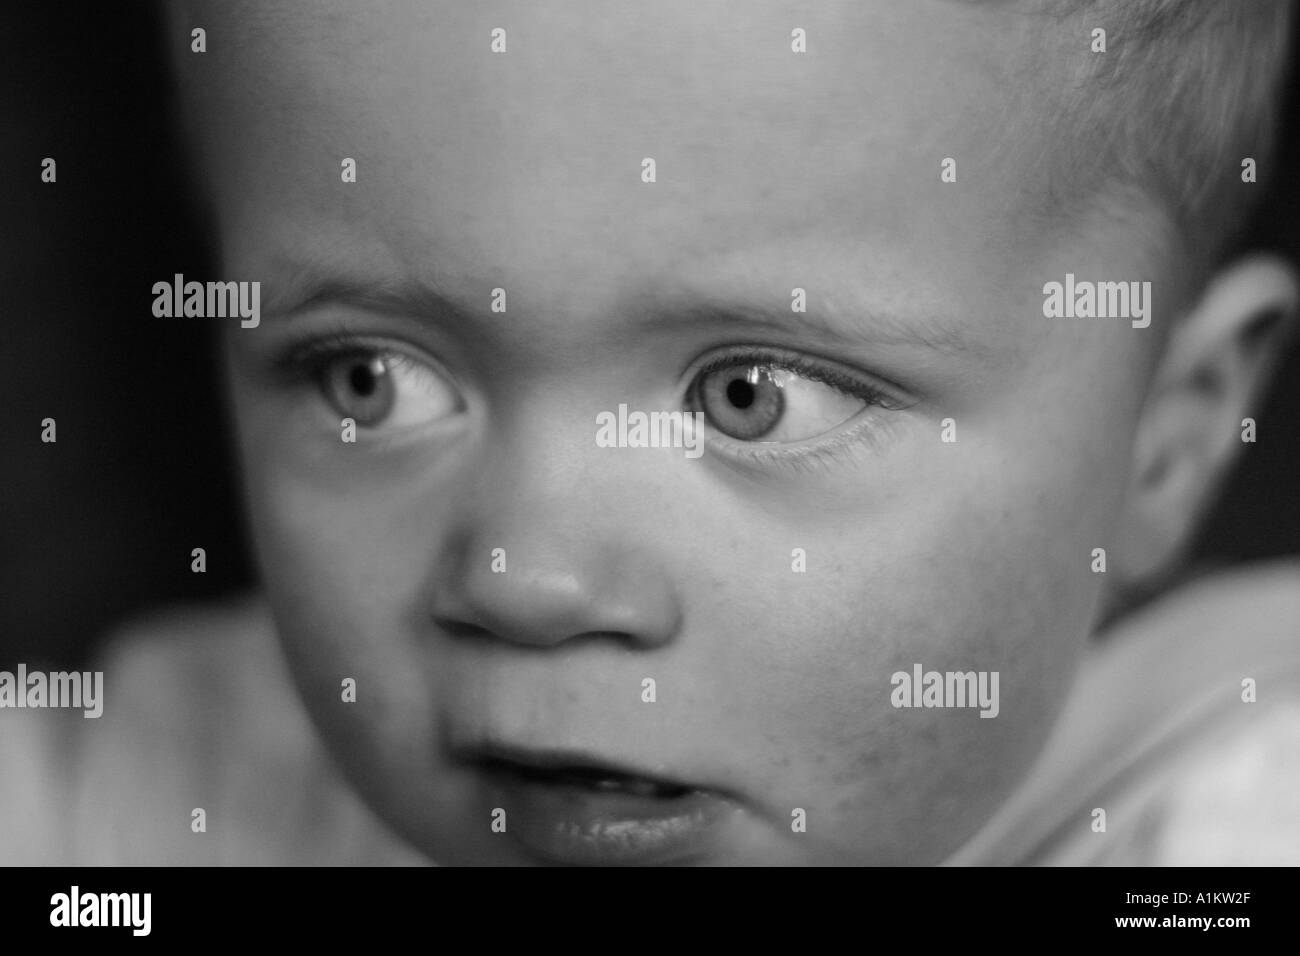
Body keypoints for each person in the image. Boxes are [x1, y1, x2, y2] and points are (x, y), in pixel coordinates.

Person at [4, 0, 1298, 865]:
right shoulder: (179, 774)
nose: (525, 581)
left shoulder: (1232, 813)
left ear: (1166, 440)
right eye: (367, 378)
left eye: (754, 395)